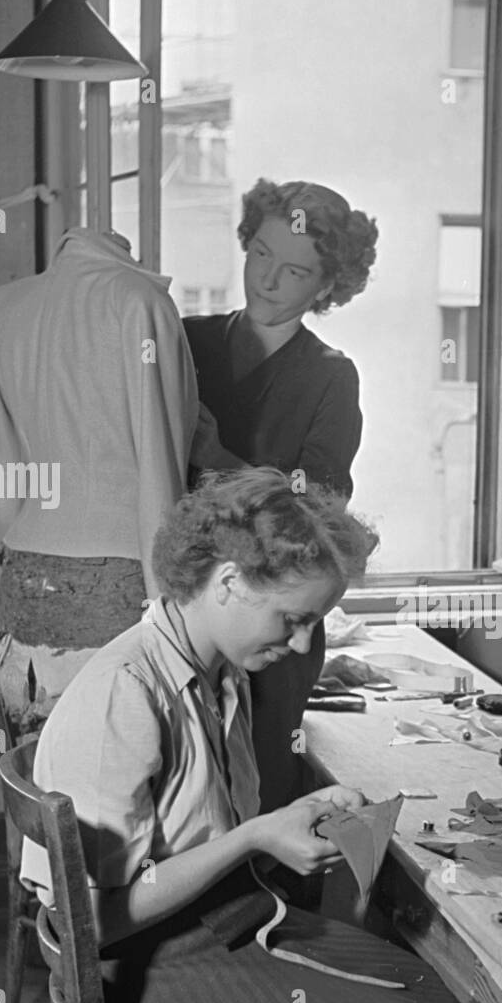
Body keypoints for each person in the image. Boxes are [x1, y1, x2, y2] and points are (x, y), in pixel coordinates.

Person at [18, 468, 502, 1003]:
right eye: (295, 618)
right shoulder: (123, 694)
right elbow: (94, 923)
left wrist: (290, 823)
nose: (305, 643)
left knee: (453, 999)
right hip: (150, 992)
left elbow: (206, 833)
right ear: (229, 581)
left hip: (225, 936)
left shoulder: (216, 675)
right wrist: (252, 840)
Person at [184, 179, 380, 812]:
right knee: (187, 801)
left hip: (277, 623)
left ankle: (273, 915)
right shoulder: (187, 343)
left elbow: (313, 520)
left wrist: (213, 456)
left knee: (264, 796)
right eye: (260, 254)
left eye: (294, 270)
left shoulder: (330, 376)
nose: (267, 280)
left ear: (327, 287)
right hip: (186, 606)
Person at [0, 227, 207, 731]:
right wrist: (168, 618)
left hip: (23, 582)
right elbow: (158, 468)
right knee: (133, 786)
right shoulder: (140, 300)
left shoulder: (4, 306)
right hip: (122, 584)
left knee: (47, 781)